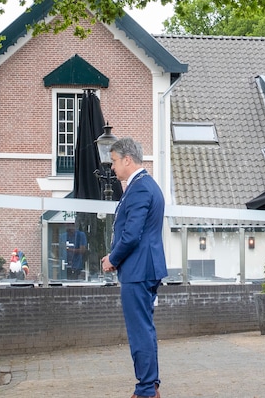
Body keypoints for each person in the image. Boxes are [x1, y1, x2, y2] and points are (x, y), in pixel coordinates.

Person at [101, 138, 167, 398]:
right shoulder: (146, 186)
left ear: (128, 159)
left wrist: (112, 259)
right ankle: (151, 385)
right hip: (146, 268)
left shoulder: (139, 188)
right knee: (145, 329)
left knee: (139, 331)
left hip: (138, 270)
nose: (113, 168)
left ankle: (145, 390)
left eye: (114, 161)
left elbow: (131, 235)